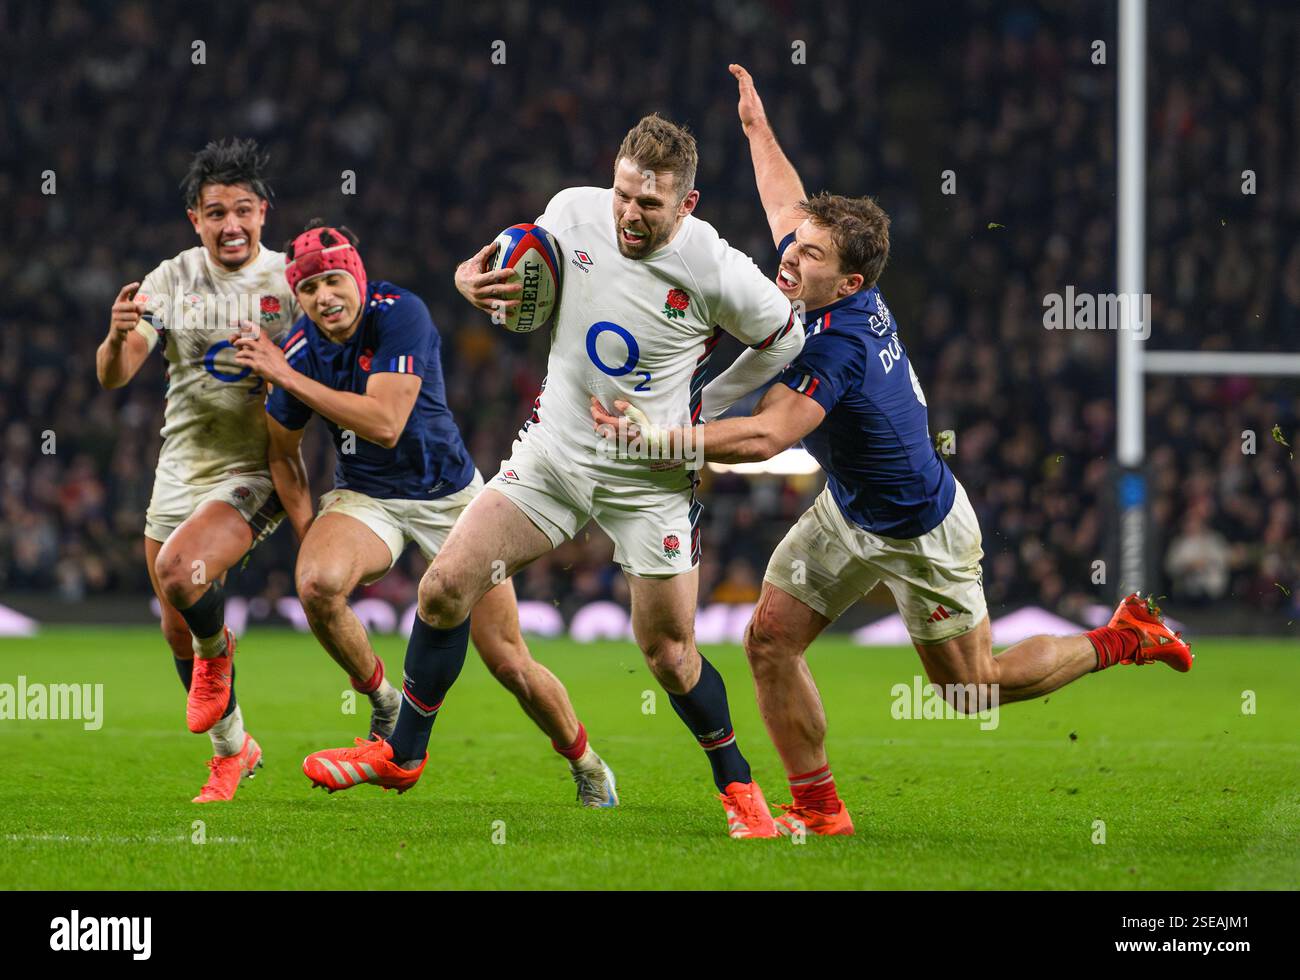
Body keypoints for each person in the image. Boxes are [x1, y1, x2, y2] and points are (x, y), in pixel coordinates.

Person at [592, 66, 1193, 837]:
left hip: (919, 529)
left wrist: (660, 438)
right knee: (770, 641)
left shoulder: (837, 345)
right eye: (795, 247)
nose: (789, 258)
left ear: (847, 281)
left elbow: (769, 435)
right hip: (849, 511)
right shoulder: (825, 287)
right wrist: (755, 128)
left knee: (972, 687)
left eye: (807, 256)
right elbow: (786, 200)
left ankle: (1123, 637)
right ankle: (820, 809)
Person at [303, 114, 805, 838]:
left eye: (651, 204)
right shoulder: (573, 211)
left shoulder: (719, 271)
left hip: (648, 475)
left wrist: (711, 402)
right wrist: (467, 282)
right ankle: (400, 754)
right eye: (625, 194)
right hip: (555, 454)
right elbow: (513, 272)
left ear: (686, 205)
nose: (630, 214)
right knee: (444, 588)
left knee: (667, 654)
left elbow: (785, 337)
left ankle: (739, 789)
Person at [233, 221, 618, 807]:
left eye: (334, 280)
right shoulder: (299, 352)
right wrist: (315, 531)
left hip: (453, 498)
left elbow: (386, 425)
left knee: (509, 661)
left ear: (357, 278)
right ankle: (384, 700)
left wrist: (284, 377)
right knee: (316, 583)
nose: (324, 297)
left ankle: (586, 763)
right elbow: (283, 455)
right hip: (367, 499)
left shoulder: (399, 313)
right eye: (308, 290)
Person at [94, 138, 299, 802]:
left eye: (243, 210)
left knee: (182, 575)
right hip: (180, 464)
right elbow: (117, 374)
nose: (230, 225)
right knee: (174, 620)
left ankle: (219, 653)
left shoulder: (291, 281)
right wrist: (116, 334)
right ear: (195, 220)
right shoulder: (172, 278)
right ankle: (233, 752)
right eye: (216, 213)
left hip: (254, 466)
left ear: (263, 212)